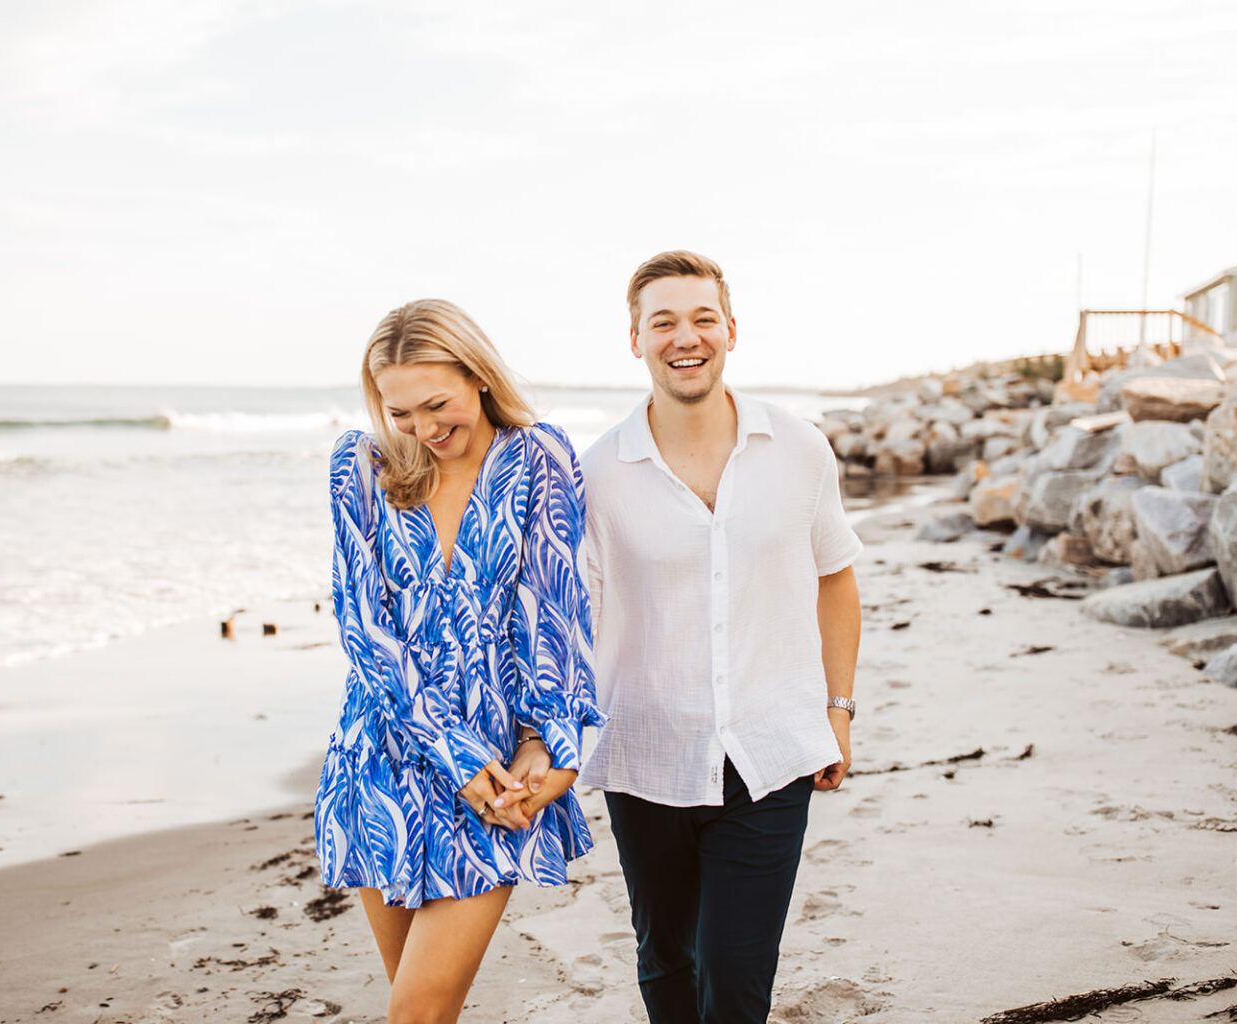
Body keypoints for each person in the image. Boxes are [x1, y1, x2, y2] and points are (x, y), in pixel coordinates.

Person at [579, 251, 863, 1024]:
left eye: (703, 318)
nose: (685, 337)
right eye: (662, 322)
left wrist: (838, 708)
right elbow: (574, 619)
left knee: (737, 982)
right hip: (648, 755)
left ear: (731, 330)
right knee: (667, 959)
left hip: (773, 751)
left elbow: (835, 576)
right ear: (634, 339)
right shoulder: (597, 473)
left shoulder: (799, 448)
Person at [314, 298, 605, 1024]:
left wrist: (552, 743)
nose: (421, 427)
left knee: (414, 1012)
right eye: (400, 411)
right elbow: (362, 626)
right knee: (420, 1014)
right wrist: (451, 751)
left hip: (497, 770)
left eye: (436, 403)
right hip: (380, 758)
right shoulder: (362, 465)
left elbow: (556, 612)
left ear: (478, 375)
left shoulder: (540, 457)